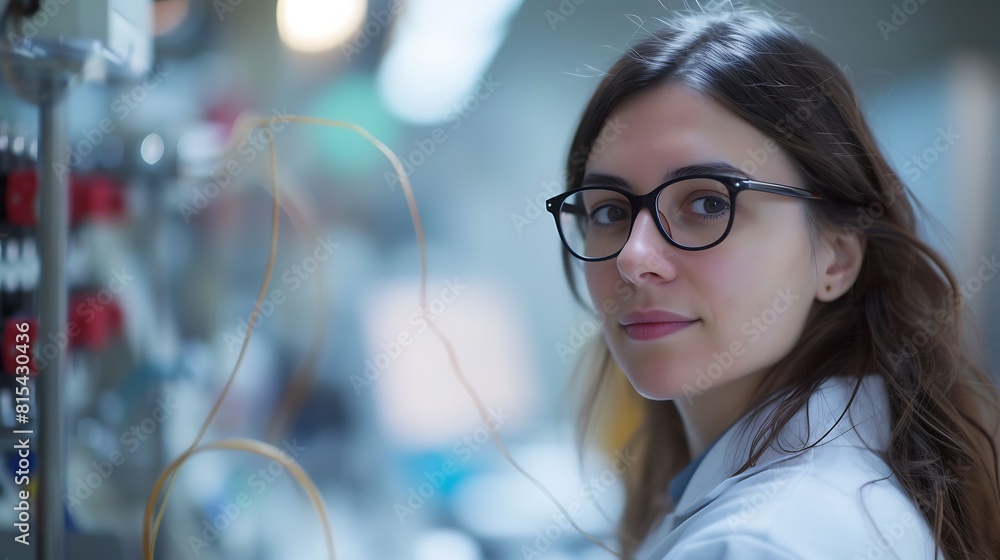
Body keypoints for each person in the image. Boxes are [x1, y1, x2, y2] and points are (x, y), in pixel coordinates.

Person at [546, 8, 1000, 560]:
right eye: (609, 211)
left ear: (836, 258)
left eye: (708, 203)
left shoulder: (759, 543)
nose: (634, 258)